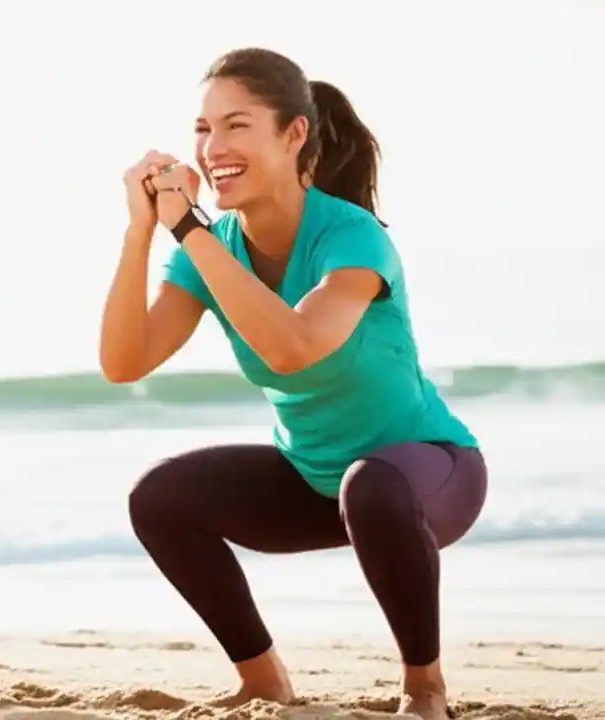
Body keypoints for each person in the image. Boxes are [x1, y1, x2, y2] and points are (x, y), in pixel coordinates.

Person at [98, 48, 486, 720]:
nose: (213, 146)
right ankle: (262, 679)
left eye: (236, 125)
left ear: (294, 133)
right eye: (203, 128)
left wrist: (187, 227)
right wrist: (141, 234)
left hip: (426, 475)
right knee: (159, 498)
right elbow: (124, 362)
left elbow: (293, 349)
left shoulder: (350, 237)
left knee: (373, 487)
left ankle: (424, 690)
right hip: (316, 482)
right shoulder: (211, 247)